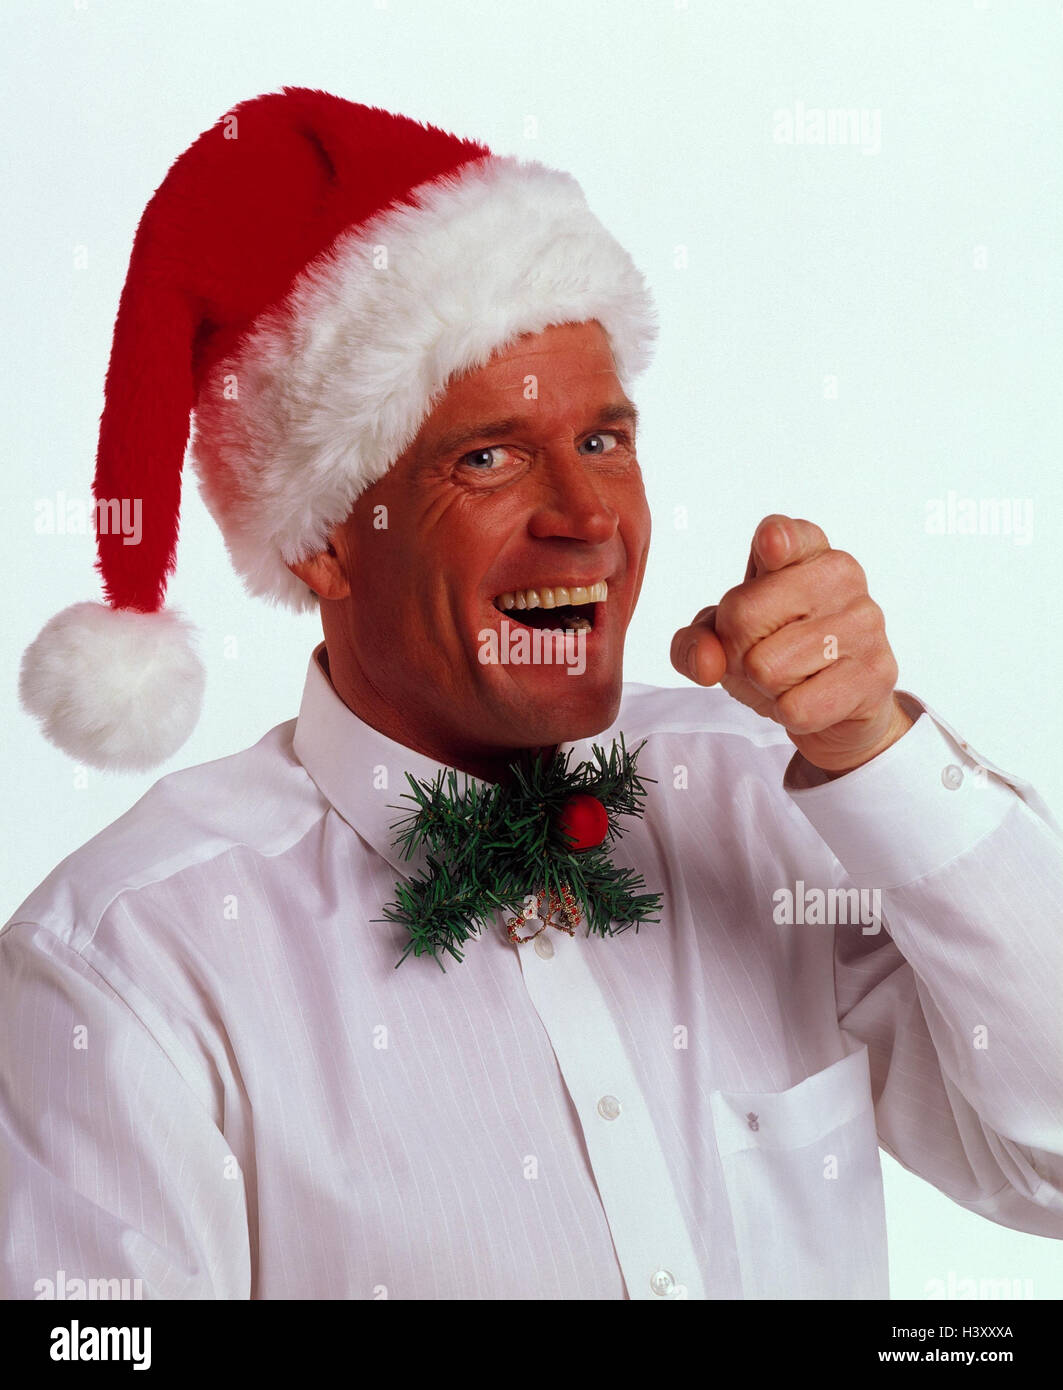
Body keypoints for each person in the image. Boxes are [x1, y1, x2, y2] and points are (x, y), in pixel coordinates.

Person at [4, 88, 1061, 1301]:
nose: (588, 518)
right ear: (325, 542)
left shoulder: (762, 792)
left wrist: (871, 750)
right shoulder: (129, 965)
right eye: (489, 458)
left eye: (605, 440)